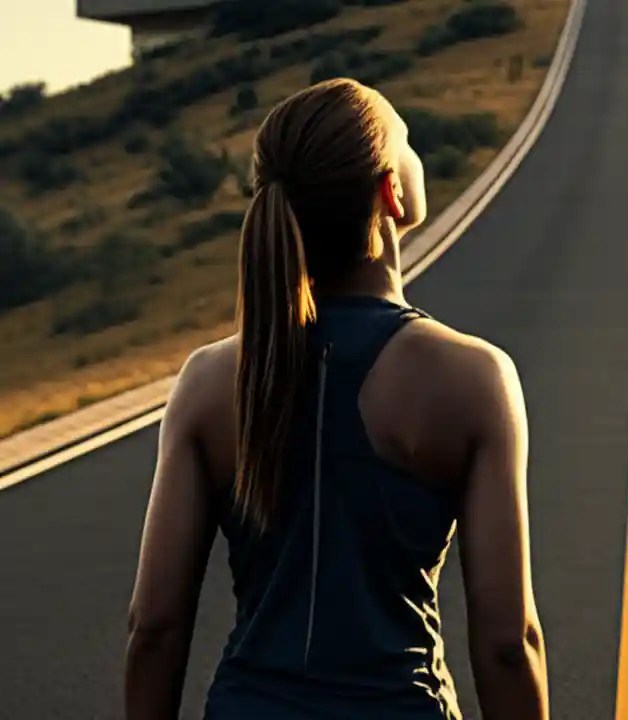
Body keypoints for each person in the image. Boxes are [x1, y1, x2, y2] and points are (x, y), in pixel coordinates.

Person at [124, 78, 548, 720]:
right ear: (391, 191)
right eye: (407, 138)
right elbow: (508, 643)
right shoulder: (472, 378)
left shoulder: (208, 380)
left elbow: (154, 627)